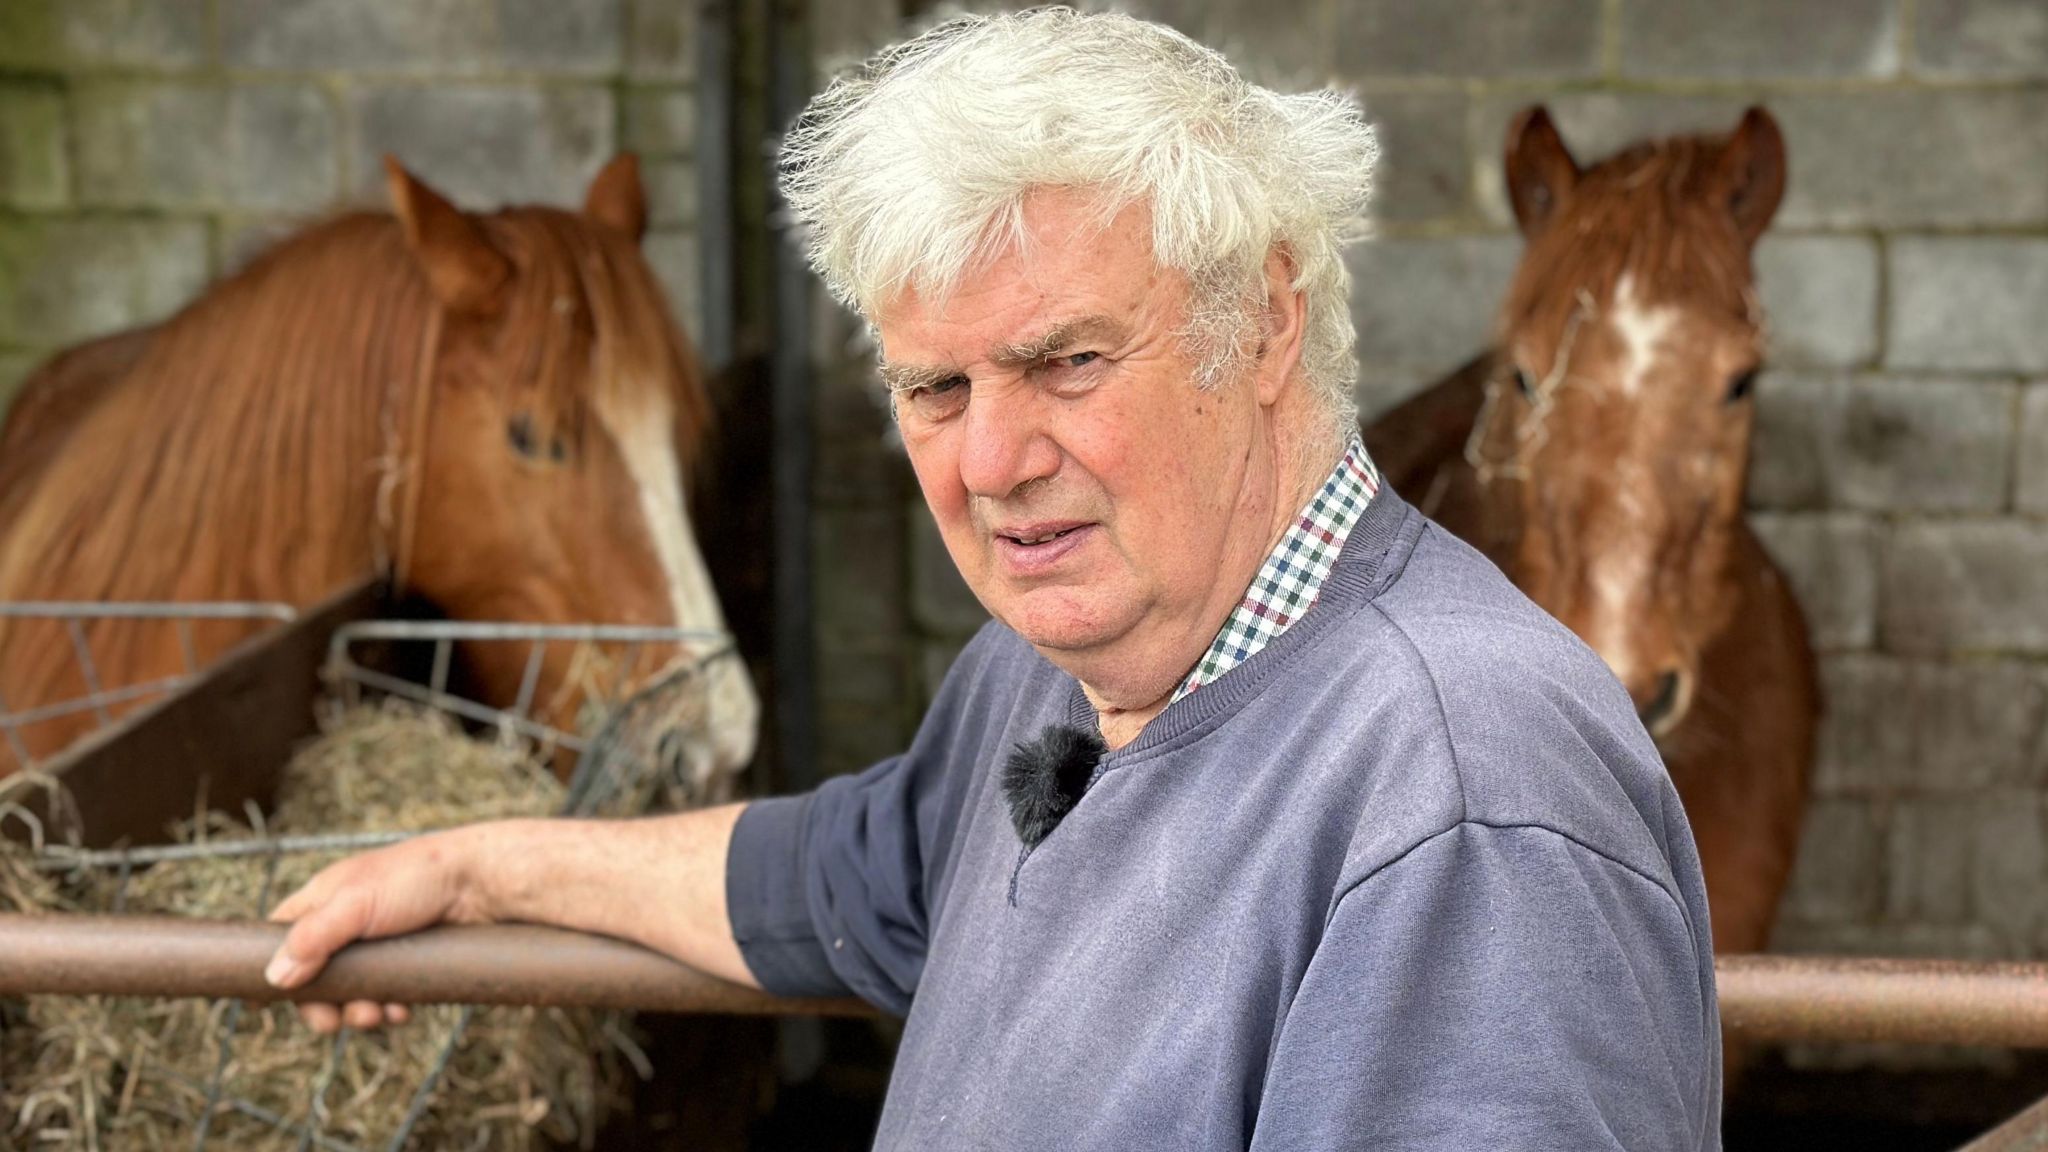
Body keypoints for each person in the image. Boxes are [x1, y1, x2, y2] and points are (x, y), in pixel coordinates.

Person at [266, 9, 1721, 1149]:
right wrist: (471, 867)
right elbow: (854, 873)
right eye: (936, 385)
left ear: (1267, 320)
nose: (992, 460)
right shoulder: (1057, 668)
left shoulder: (1462, 800)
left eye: (1068, 360)